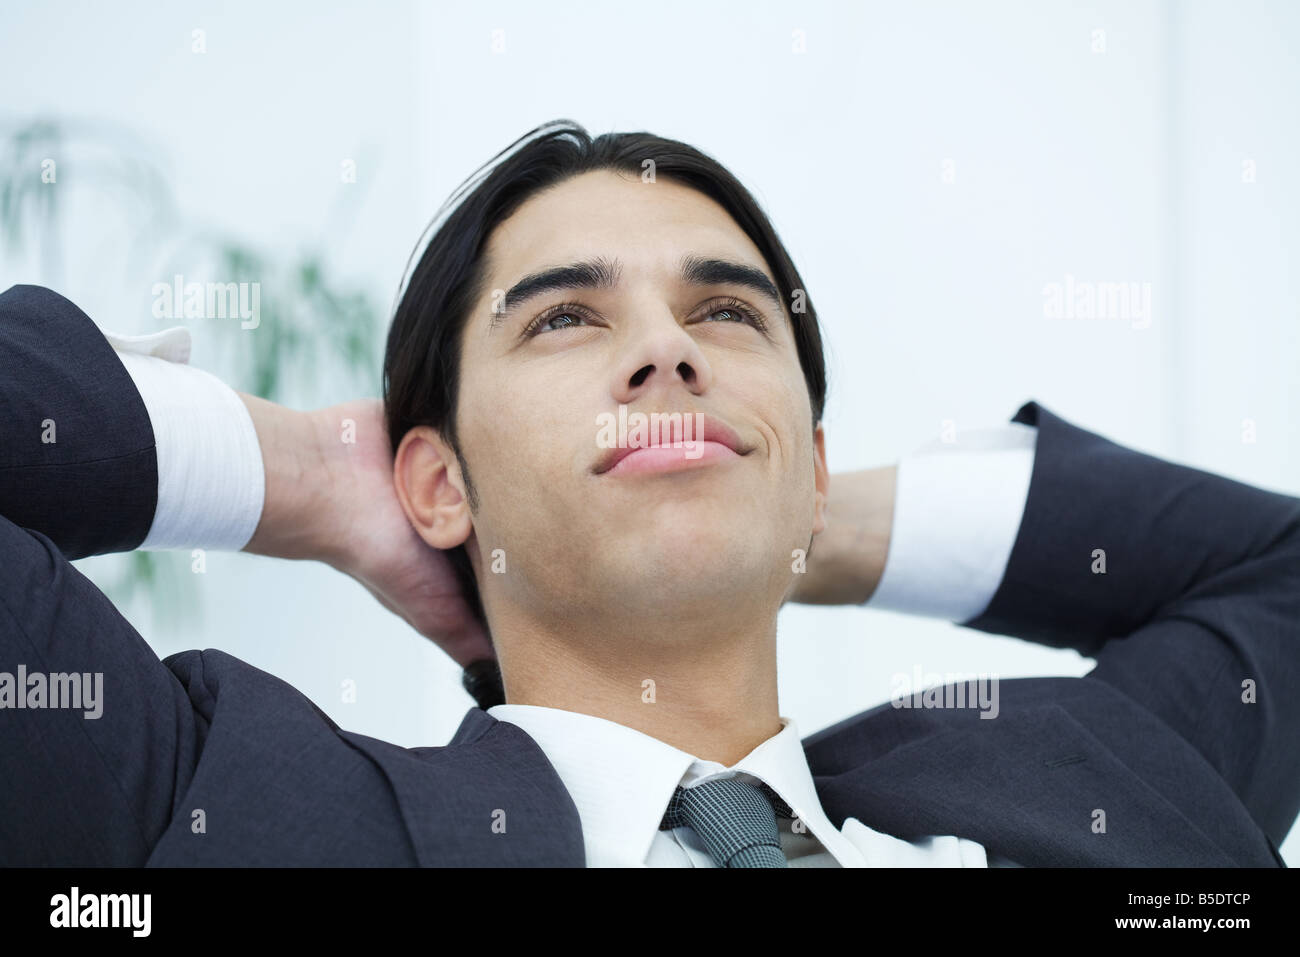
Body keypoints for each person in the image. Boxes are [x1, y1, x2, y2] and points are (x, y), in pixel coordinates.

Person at [1, 120, 1295, 867]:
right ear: (437, 481)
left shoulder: (1085, 779)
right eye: (565, 316)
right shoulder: (225, 807)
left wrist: (788, 511)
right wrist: (304, 478)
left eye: (725, 312)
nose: (669, 351)